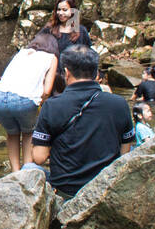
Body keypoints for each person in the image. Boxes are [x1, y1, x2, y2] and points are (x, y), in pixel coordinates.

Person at [30, 45, 135, 199]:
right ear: (97, 74)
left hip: (66, 191)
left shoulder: (51, 105)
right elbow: (124, 154)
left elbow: (39, 158)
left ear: (66, 73)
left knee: (27, 167)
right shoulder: (120, 104)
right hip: (104, 189)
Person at [0, 32, 58, 171]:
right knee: (28, 133)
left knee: (12, 133)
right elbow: (47, 90)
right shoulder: (51, 57)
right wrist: (40, 103)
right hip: (24, 99)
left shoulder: (21, 53)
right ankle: (26, 171)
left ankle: (15, 172)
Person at [48, 0, 91, 94]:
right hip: (53, 78)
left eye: (64, 10)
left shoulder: (81, 31)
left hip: (74, 79)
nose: (61, 13)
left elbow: (88, 55)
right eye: (59, 10)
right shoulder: (50, 30)